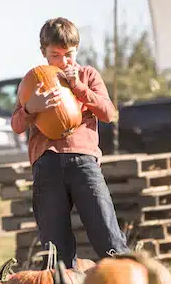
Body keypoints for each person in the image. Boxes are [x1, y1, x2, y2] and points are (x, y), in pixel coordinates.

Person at [11, 17, 129, 267]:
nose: (64, 61)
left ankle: (127, 280)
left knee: (106, 232)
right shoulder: (34, 81)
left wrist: (78, 87)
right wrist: (31, 108)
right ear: (43, 52)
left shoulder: (87, 75)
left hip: (83, 161)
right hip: (48, 164)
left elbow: (109, 113)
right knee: (55, 247)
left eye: (69, 54)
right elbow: (16, 125)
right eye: (56, 54)